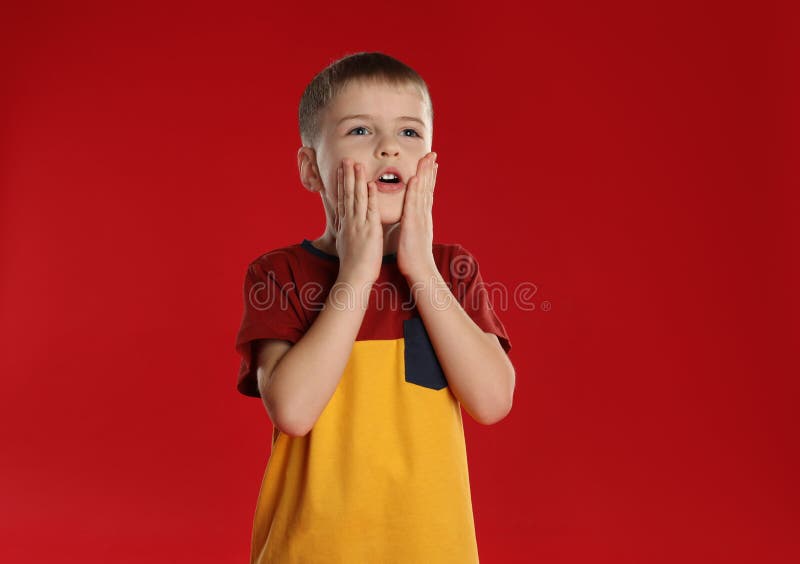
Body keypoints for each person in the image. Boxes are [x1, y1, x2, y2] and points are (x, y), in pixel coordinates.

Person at [234, 51, 515, 563]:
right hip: (313, 551)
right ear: (310, 168)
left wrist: (421, 270)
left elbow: (493, 401)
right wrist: (356, 275)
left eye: (410, 133)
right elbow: (293, 411)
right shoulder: (279, 275)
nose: (390, 147)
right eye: (360, 131)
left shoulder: (450, 270)